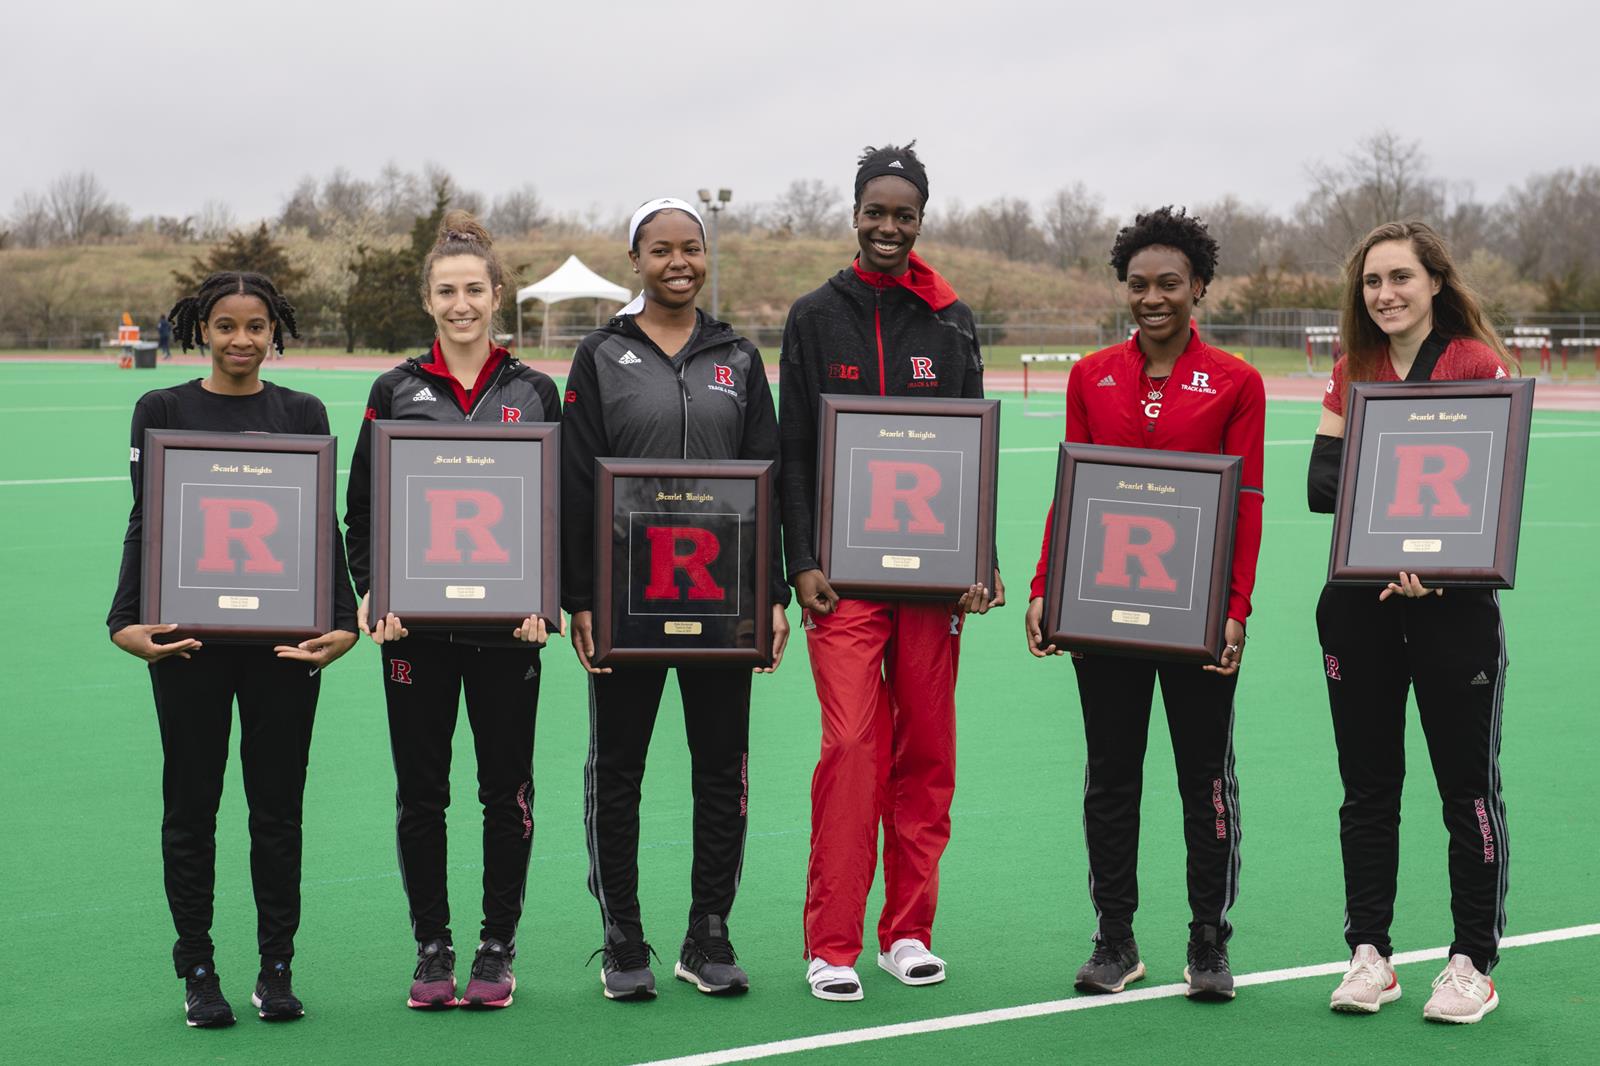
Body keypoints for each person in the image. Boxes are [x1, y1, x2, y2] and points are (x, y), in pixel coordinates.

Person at [1024, 207, 1264, 1002]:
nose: (1152, 298)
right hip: (1103, 608)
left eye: (1169, 283)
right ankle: (1115, 937)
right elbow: (1074, 489)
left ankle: (1208, 939)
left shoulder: (1236, 380)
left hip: (1193, 613)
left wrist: (1235, 608)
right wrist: (1043, 587)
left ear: (1199, 287)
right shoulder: (1090, 374)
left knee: (1205, 779)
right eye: (1138, 284)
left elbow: (1249, 501)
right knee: (1111, 777)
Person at [107, 271, 359, 1028]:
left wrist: (342, 620)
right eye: (225, 326)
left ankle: (275, 968)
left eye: (255, 327)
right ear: (200, 330)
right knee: (192, 808)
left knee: (277, 810)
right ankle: (199, 970)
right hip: (188, 643)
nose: (240, 340)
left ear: (274, 331)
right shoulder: (162, 408)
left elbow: (323, 530)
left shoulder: (301, 411)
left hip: (285, 645)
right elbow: (145, 520)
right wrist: (124, 619)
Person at [780, 143, 1001, 1003]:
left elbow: (973, 450)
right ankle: (830, 943)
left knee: (926, 751)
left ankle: (907, 933)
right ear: (855, 213)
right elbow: (794, 444)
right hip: (842, 580)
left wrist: (979, 559)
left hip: (933, 581)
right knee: (851, 745)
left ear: (921, 221)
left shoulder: (951, 319)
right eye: (876, 211)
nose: (888, 227)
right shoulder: (813, 316)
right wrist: (800, 561)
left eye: (903, 214)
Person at [563, 196, 790, 1001]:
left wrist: (771, 593)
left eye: (691, 248)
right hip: (627, 600)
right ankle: (622, 938)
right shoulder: (599, 355)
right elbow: (576, 478)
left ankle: (709, 933)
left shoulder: (738, 356)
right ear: (636, 260)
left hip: (721, 600)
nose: (678, 262)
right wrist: (579, 596)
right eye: (660, 250)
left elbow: (768, 474)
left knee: (721, 769)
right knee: (618, 768)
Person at [343, 211, 562, 1012]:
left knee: (504, 792)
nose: (461, 303)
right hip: (416, 635)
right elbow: (361, 511)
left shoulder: (534, 390)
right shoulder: (395, 390)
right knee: (421, 792)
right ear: (427, 299)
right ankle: (432, 946)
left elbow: (557, 516)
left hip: (509, 633)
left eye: (474, 289)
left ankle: (497, 947)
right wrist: (376, 593)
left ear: (497, 294)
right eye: (447, 291)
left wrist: (548, 604)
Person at [1308, 220, 1512, 1024]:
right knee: (1367, 789)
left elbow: (1491, 490)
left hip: (1453, 609)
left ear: (1435, 281)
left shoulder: (1472, 363)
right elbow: (1324, 483)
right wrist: (1398, 535)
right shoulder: (1352, 366)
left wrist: (1437, 561)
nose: (1385, 295)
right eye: (1371, 282)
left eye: (1400, 278)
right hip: (1359, 604)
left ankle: (1472, 963)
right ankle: (1371, 954)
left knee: (1466, 789)